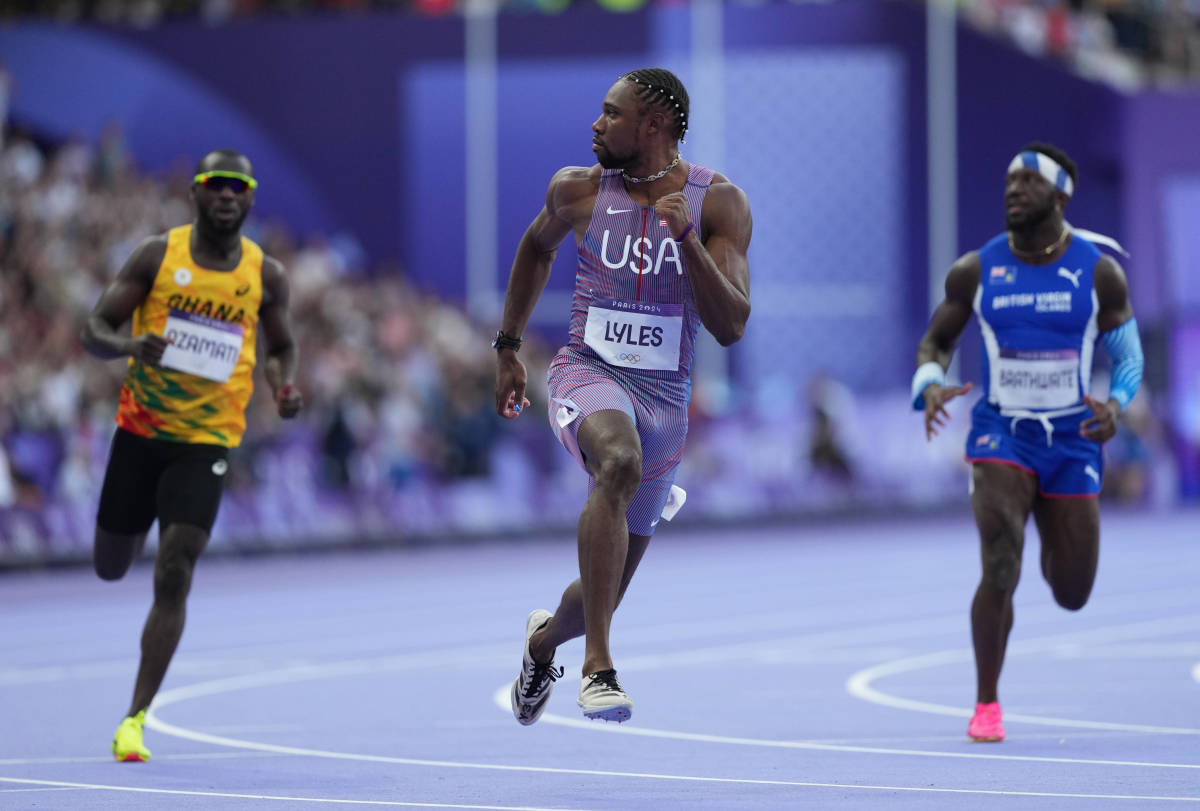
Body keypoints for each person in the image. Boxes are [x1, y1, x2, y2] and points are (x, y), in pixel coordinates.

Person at [494, 68, 752, 725]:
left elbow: (730, 325)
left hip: (665, 401)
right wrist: (507, 346)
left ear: (655, 126)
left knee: (598, 594)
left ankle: (544, 642)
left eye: (611, 114)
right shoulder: (575, 190)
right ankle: (598, 669)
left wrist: (687, 241)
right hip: (586, 370)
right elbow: (533, 248)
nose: (596, 124)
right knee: (615, 460)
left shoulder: (718, 204)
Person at [912, 142, 1143, 743]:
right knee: (1000, 560)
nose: (1013, 188)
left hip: (1073, 439)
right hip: (1001, 434)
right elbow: (936, 342)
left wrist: (1116, 405)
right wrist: (930, 382)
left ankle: (1051, 526)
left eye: (1028, 181)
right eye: (1009, 179)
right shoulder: (976, 269)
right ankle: (986, 704)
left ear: (1061, 194)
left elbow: (1129, 357)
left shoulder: (1098, 272)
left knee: (1071, 592)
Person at [80, 149, 303, 761]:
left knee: (176, 566)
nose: (227, 195)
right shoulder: (159, 255)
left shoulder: (266, 274)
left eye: (239, 187)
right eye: (216, 185)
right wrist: (131, 345)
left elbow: (282, 345)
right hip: (140, 434)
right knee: (108, 566)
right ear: (196, 194)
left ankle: (134, 719)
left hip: (207, 441)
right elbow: (92, 329)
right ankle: (135, 531)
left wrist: (283, 384)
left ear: (250, 199)